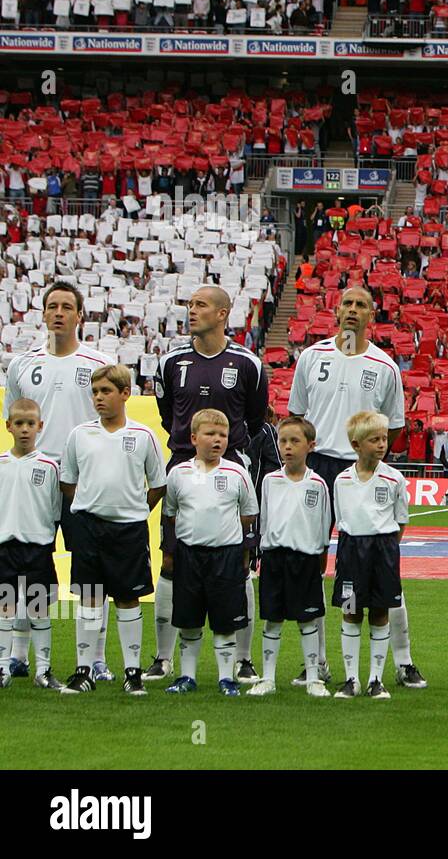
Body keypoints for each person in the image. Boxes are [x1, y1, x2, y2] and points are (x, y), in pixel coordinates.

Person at [288, 287, 423, 689]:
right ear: (336, 310)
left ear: (371, 314)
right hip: (320, 466)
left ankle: (403, 662)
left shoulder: (384, 366)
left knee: (385, 563)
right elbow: (297, 416)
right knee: (311, 562)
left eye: (360, 304)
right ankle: (318, 663)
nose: (352, 310)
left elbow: (394, 427)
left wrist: (369, 453)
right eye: (346, 303)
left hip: (363, 468)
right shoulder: (312, 358)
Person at [150, 285, 267, 684]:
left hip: (232, 465)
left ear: (223, 313)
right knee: (170, 561)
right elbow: (168, 416)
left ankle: (243, 659)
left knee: (241, 564)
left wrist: (223, 449)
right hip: (183, 464)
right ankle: (163, 659)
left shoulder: (248, 364)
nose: (191, 310)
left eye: (200, 305)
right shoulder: (170, 362)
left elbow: (253, 421)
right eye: (189, 304)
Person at [2, 281, 114, 681]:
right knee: (25, 568)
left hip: (83, 482)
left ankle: (96, 658)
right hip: (35, 482)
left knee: (89, 571)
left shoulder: (99, 363)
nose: (60, 312)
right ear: (44, 313)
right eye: (53, 306)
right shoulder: (22, 365)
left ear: (80, 315)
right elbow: (17, 415)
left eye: (68, 306)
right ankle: (19, 655)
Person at [58, 365, 167, 695]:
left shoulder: (143, 436)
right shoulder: (80, 435)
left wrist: (132, 511)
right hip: (89, 528)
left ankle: (132, 673)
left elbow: (158, 485)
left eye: (106, 391)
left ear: (125, 394)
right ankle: (83, 671)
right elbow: (68, 481)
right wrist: (93, 506)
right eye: (94, 392)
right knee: (90, 599)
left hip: (129, 531)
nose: (98, 398)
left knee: (128, 599)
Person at [160, 410, 258, 697]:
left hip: (225, 557)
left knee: (225, 622)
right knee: (188, 620)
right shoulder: (178, 474)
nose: (217, 440)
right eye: (210, 434)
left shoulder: (237, 472)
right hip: (189, 556)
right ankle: (186, 676)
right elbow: (172, 512)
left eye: (223, 435)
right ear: (193, 438)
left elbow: (248, 514)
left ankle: (226, 678)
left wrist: (221, 532)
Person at [248, 416, 332, 698]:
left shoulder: (318, 484)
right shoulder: (270, 481)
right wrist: (264, 552)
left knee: (308, 621)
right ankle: (268, 678)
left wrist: (320, 556)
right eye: (283, 441)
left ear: (311, 445)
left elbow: (323, 525)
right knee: (272, 620)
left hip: (306, 559)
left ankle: (313, 678)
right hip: (274, 559)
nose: (287, 447)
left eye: (295, 441)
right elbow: (266, 518)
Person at [330, 411, 409, 699]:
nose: (381, 444)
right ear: (356, 445)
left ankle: (376, 679)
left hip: (383, 552)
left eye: (384, 439)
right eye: (374, 439)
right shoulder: (341, 480)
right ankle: (352, 679)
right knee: (351, 612)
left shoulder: (394, 478)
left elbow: (401, 521)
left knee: (380, 612)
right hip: (352, 553)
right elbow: (341, 519)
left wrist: (385, 546)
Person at [0, 399, 64, 690]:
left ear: (40, 426)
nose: (24, 430)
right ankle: (3, 669)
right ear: (8, 426)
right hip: (5, 547)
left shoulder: (49, 466)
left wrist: (44, 536)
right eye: (19, 424)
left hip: (37, 548)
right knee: (5, 609)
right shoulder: (1, 464)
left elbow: (54, 509)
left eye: (30, 424)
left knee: (39, 610)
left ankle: (44, 670)